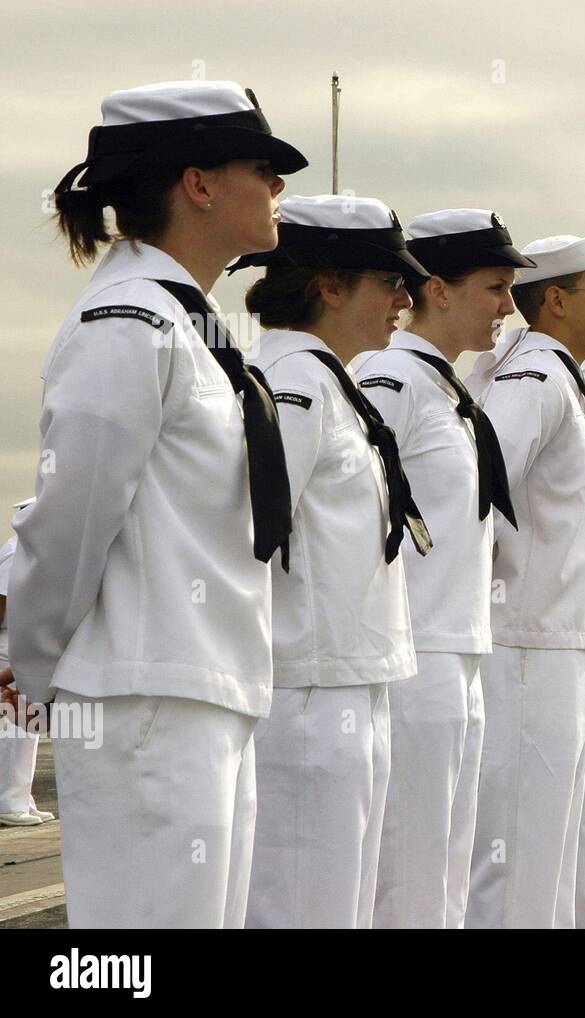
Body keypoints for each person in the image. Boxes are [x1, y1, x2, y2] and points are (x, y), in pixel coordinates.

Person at [1, 80, 305, 927]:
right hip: (148, 703)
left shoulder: (192, 325)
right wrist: (35, 664)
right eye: (262, 166)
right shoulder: (127, 322)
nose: (279, 186)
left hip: (206, 691)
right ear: (198, 184)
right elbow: (69, 522)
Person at [233, 193, 431, 928]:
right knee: (301, 900)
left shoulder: (329, 383)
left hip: (352, 679)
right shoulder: (291, 386)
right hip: (306, 690)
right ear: (329, 285)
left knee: (341, 899)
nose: (407, 300)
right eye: (390, 283)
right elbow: (245, 534)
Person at [353, 208, 532, 928]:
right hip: (415, 654)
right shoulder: (390, 381)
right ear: (439, 289)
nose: (508, 306)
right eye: (495, 286)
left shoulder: (447, 391)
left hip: (458, 650)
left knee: (446, 864)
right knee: (409, 866)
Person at [463, 235, 585, 928]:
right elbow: (480, 491)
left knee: (548, 844)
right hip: (526, 638)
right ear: (554, 301)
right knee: (519, 845)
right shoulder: (535, 376)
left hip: (558, 636)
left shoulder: (559, 372)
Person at [0, 500, 49, 827]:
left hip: (22, 639)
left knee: (26, 724)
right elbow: (2, 602)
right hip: (9, 641)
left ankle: (21, 797)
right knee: (13, 725)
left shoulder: (31, 548)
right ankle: (9, 802)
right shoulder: (16, 551)